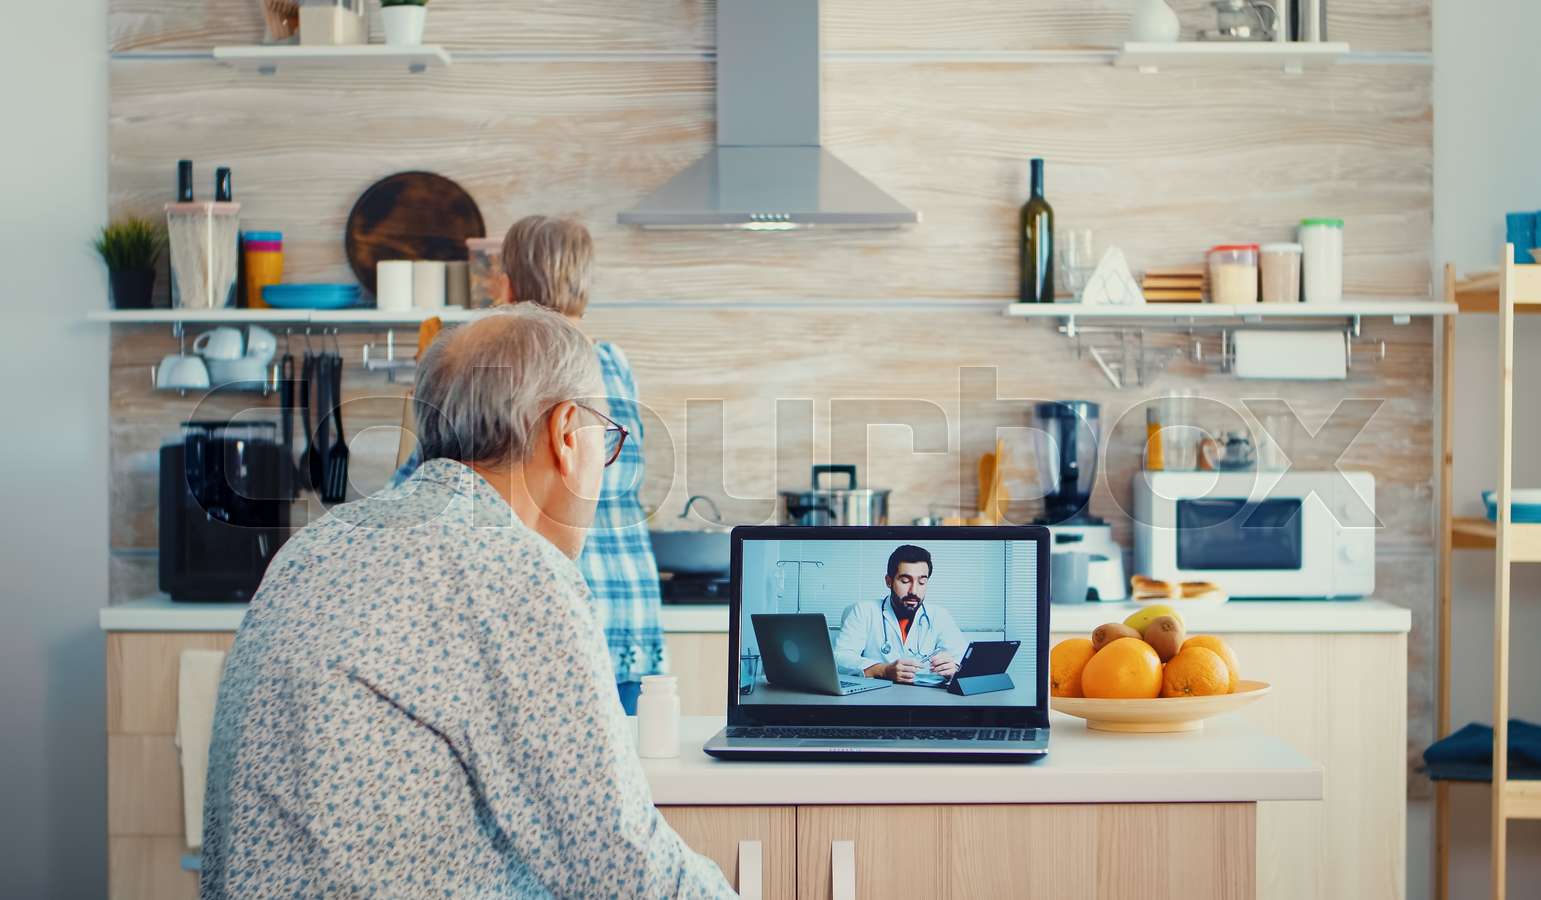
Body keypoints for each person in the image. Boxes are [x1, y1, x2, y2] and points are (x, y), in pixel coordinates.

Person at [203, 308, 734, 898]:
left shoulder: (312, 549)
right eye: (604, 437)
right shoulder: (518, 574)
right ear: (564, 434)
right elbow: (623, 867)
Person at [393, 215, 665, 714]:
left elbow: (416, 489)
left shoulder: (502, 374)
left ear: (509, 285)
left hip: (546, 616)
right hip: (629, 608)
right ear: (584, 282)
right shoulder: (615, 365)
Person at [833, 544, 969, 683]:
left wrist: (954, 668)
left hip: (926, 697)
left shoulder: (940, 615)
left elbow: (964, 658)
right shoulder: (864, 611)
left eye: (922, 582)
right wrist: (883, 670)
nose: (914, 591)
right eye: (905, 581)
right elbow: (840, 658)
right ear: (889, 581)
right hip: (877, 696)